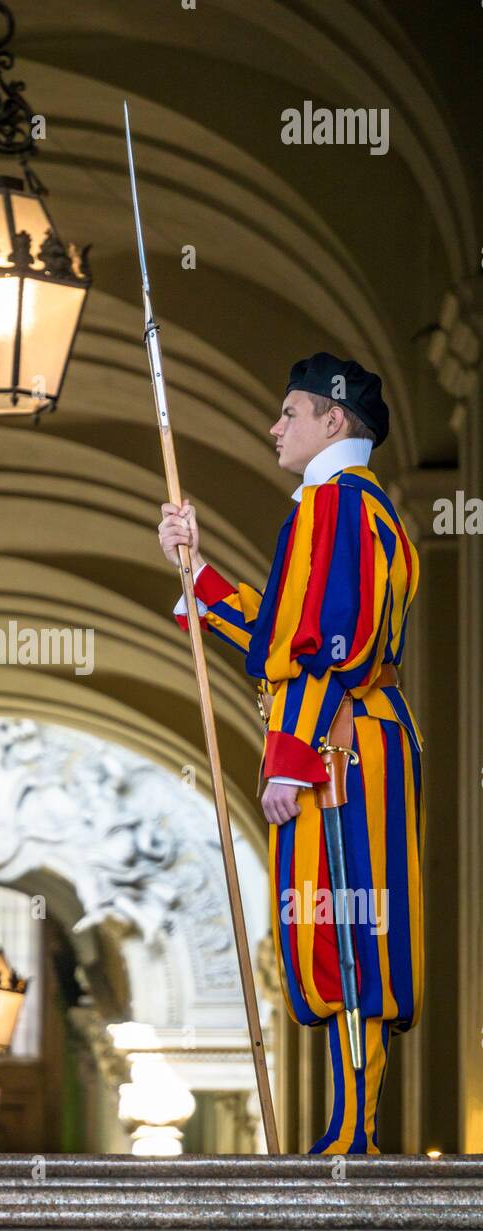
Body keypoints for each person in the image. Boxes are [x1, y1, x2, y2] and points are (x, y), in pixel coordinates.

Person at [158, 352, 424, 1154]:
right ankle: (349, 1124)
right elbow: (280, 636)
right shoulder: (345, 509)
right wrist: (194, 569)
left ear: (332, 420)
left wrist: (289, 757)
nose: (274, 427)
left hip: (340, 750)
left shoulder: (336, 508)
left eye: (289, 413)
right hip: (346, 741)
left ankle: (351, 1131)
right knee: (337, 922)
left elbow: (327, 648)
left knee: (345, 925)